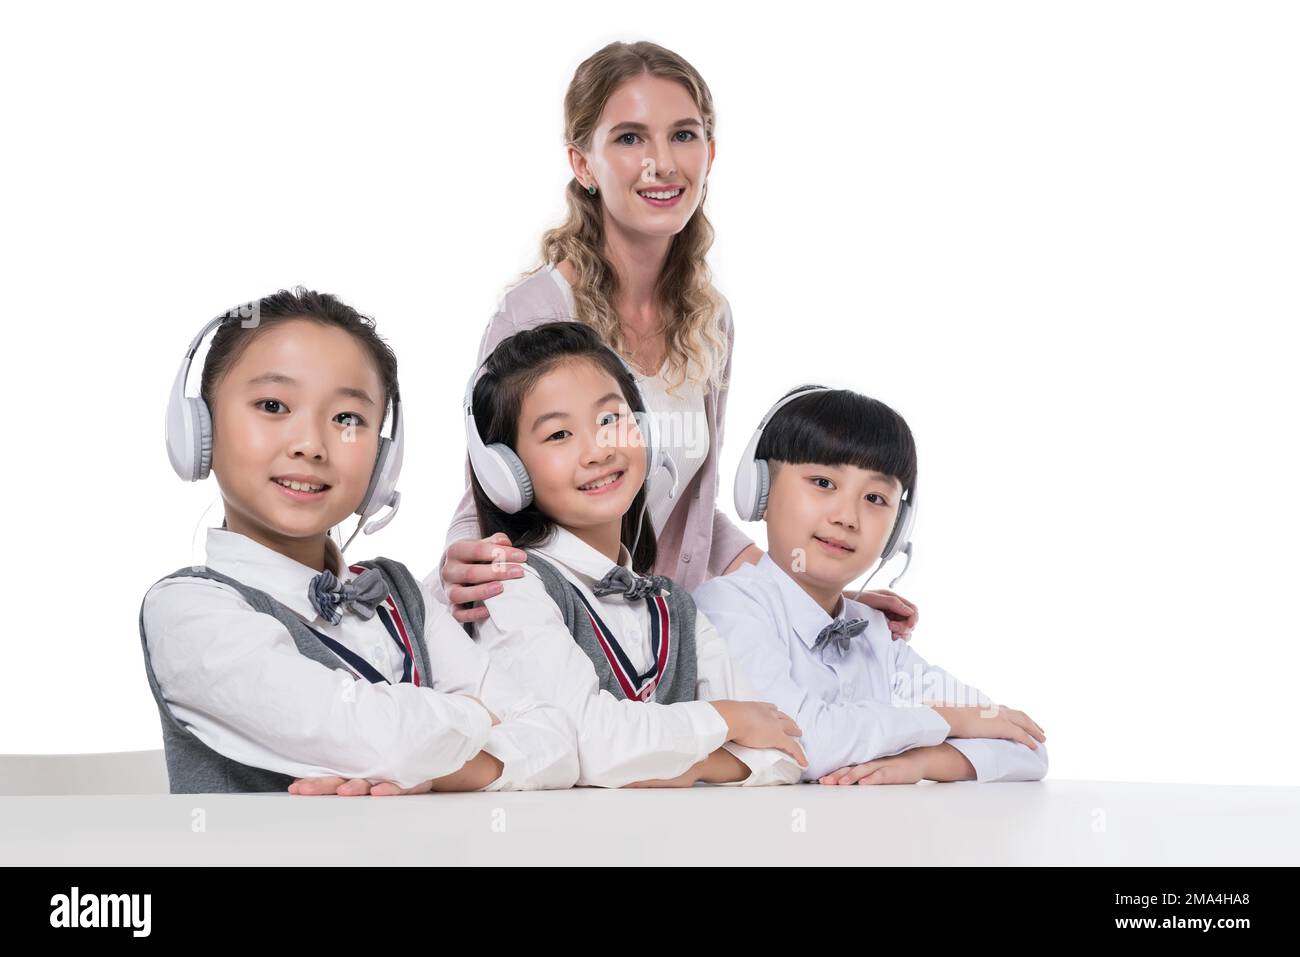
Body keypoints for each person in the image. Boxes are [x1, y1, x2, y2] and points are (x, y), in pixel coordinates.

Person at [140, 288, 578, 795]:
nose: (309, 444)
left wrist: (445, 766)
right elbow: (384, 742)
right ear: (201, 429)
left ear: (382, 460)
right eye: (273, 405)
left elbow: (559, 739)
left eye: (348, 418)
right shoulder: (189, 610)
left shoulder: (399, 595)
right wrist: (473, 724)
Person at [693, 386, 1049, 784]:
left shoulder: (875, 634)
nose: (847, 517)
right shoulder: (727, 606)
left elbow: (1027, 745)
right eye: (824, 483)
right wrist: (949, 720)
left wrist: (920, 763)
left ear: (898, 528)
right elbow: (799, 743)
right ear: (759, 489)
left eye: (876, 498)